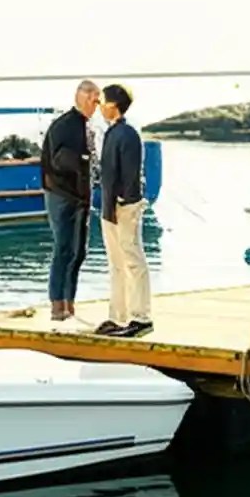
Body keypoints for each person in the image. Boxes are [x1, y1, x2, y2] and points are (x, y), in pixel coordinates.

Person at [94, 84, 153, 337]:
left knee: (132, 260)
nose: (99, 107)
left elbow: (130, 173)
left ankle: (141, 317)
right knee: (117, 263)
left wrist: (122, 201)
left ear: (113, 105)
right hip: (110, 207)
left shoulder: (127, 134)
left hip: (123, 206)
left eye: (102, 102)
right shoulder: (111, 132)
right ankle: (118, 317)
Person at [40, 80, 100, 321]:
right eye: (92, 99)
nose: (94, 104)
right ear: (81, 97)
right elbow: (57, 161)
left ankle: (69, 300)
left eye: (97, 100)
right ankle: (57, 303)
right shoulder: (64, 126)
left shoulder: (87, 127)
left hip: (81, 197)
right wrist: (80, 162)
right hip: (62, 195)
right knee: (63, 248)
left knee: (79, 251)